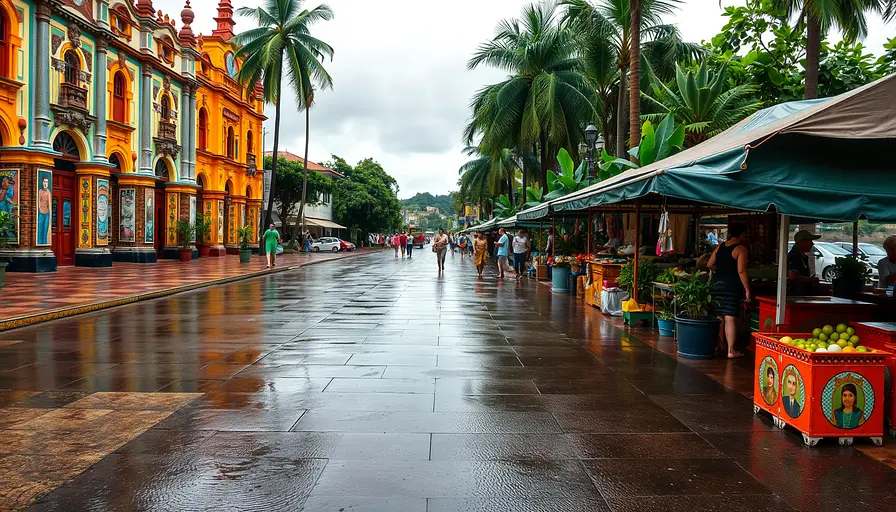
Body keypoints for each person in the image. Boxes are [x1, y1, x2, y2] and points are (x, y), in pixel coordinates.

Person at [707, 222, 751, 359]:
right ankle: (731, 350)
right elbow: (741, 270)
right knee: (730, 317)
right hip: (731, 286)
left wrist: (720, 271)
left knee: (719, 316)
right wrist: (747, 290)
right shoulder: (740, 249)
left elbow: (709, 264)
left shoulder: (720, 247)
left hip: (716, 284)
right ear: (742, 234)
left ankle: (720, 345)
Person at [37, 176, 51, 245]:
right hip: (41, 213)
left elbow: (50, 204)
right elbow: (39, 202)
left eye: (47, 182)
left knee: (45, 231)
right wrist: (40, 209)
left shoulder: (48, 192)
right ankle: (39, 244)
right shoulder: (40, 191)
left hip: (47, 214)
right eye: (44, 182)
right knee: (40, 231)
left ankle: (44, 245)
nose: (45, 183)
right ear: (42, 182)